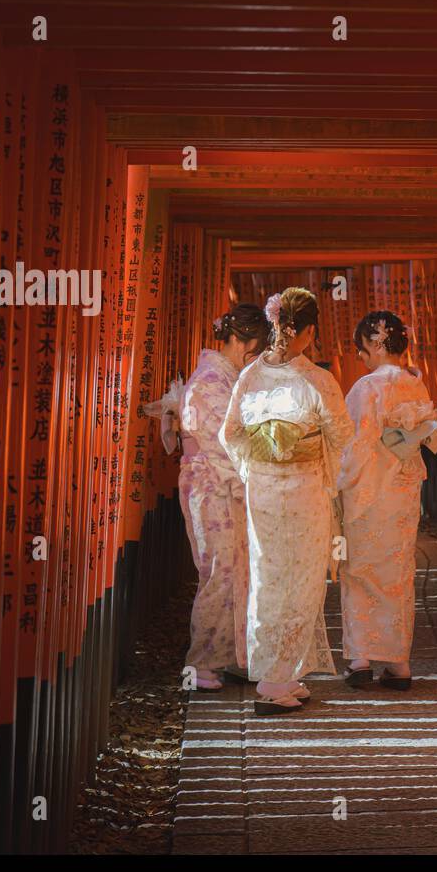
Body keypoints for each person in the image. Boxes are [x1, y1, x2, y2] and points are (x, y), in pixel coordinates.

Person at [220, 287, 353, 714]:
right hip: (305, 490)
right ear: (309, 331)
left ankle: (286, 671)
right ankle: (274, 681)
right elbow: (342, 436)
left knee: (268, 576)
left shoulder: (249, 376)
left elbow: (230, 435)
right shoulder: (317, 380)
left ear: (275, 325)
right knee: (303, 578)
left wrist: (258, 461)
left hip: (262, 490)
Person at [338, 311, 437, 691]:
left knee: (359, 567)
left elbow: (354, 445)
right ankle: (399, 663)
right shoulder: (416, 385)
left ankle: (360, 658)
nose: (360, 355)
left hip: (368, 488)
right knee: (398, 570)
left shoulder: (366, 388)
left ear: (375, 343)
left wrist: (336, 481)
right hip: (403, 486)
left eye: (361, 347)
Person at [179, 303, 271, 691]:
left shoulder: (222, 377)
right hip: (212, 484)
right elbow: (225, 443)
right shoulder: (211, 381)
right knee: (218, 568)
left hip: (224, 482)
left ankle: (232, 654)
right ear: (242, 342)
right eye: (255, 349)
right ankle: (201, 661)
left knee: (238, 567)